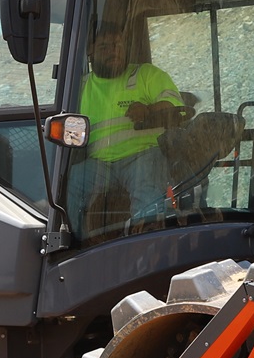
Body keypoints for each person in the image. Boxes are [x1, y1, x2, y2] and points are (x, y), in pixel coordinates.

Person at [66, 23, 186, 227]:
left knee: (147, 191)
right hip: (99, 163)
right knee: (72, 183)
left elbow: (175, 107)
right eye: (105, 47)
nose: (114, 52)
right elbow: (71, 130)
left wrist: (149, 110)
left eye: (118, 46)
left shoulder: (146, 75)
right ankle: (68, 244)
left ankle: (145, 243)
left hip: (142, 155)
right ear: (90, 51)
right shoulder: (81, 87)